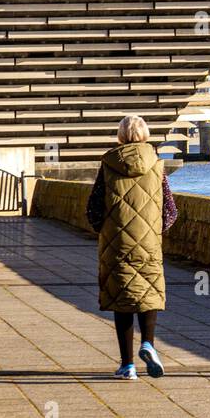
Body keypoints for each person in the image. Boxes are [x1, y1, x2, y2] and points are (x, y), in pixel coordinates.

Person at [86, 115, 177, 380]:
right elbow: (170, 211)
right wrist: (154, 231)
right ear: (146, 134)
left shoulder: (108, 165)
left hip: (116, 244)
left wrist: (105, 230)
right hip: (148, 243)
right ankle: (148, 344)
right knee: (148, 294)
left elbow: (93, 209)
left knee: (122, 299)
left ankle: (127, 366)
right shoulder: (158, 167)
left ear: (120, 136)